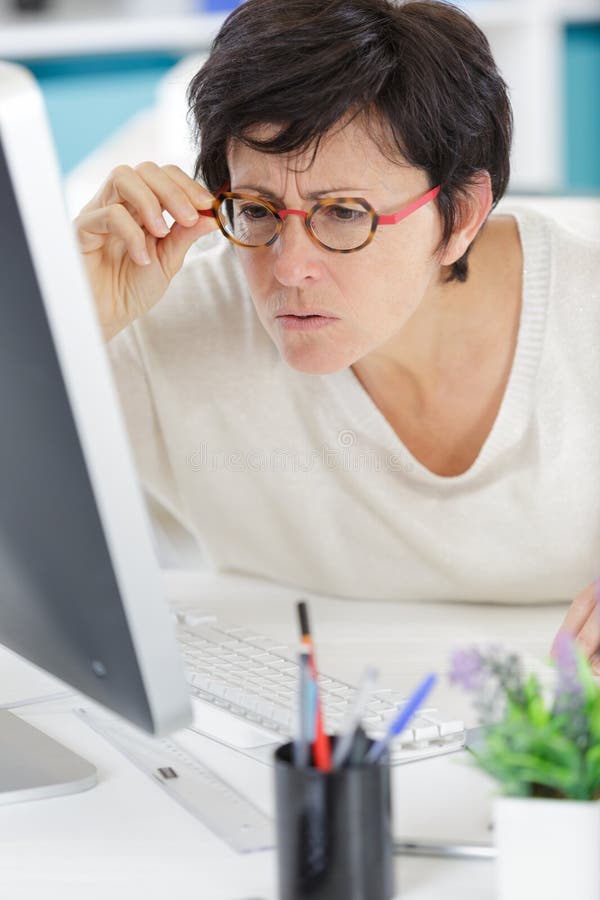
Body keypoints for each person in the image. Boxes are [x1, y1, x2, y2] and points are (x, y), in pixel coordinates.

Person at [74, 0, 600, 664]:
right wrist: (65, 316)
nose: (289, 267)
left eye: (344, 213)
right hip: (284, 719)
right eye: (259, 210)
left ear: (460, 214)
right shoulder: (163, 317)